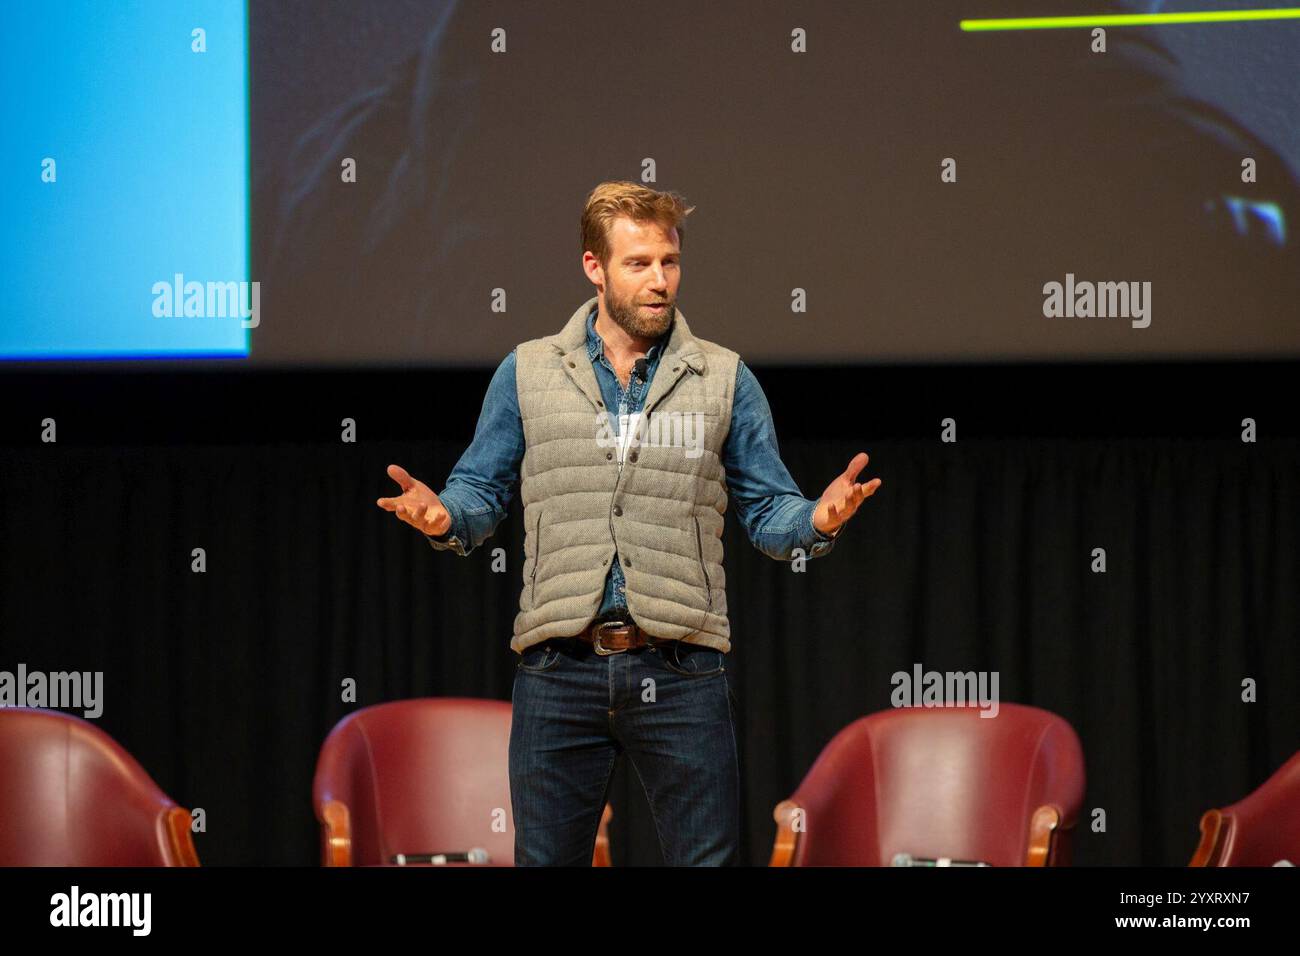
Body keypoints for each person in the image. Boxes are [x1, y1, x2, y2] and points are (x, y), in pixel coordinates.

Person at [376, 181, 881, 865]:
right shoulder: (527, 372)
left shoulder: (723, 377)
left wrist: (818, 519)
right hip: (558, 670)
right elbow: (477, 495)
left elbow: (770, 514)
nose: (659, 280)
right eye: (638, 263)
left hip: (681, 670)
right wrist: (442, 517)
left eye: (669, 262)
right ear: (594, 266)